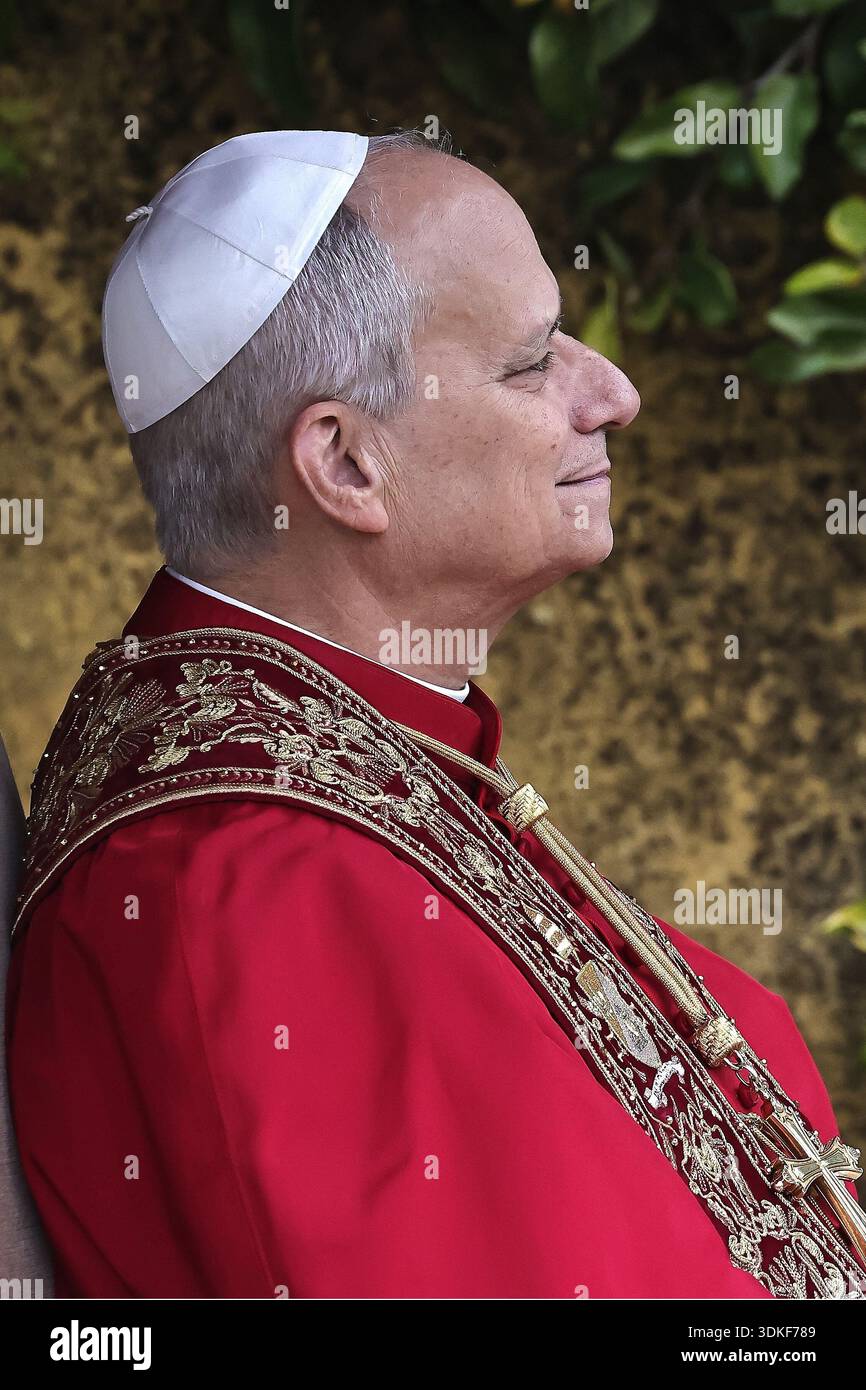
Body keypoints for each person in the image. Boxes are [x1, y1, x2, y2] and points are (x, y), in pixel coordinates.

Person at [6, 128, 865, 1299]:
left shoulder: (353, 752)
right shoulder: (243, 881)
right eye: (528, 363)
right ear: (346, 465)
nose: (611, 390)